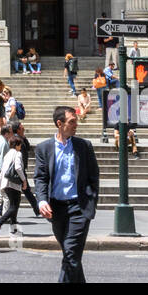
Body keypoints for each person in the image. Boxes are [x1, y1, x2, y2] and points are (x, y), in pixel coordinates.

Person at [34, 106, 100, 283]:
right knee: (71, 256)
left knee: (70, 253)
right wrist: (41, 201)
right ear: (59, 123)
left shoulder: (83, 146)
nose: (76, 125)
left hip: (79, 208)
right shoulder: (44, 148)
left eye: (76, 121)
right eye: (72, 121)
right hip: (56, 209)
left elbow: (94, 176)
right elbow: (40, 178)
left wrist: (91, 201)